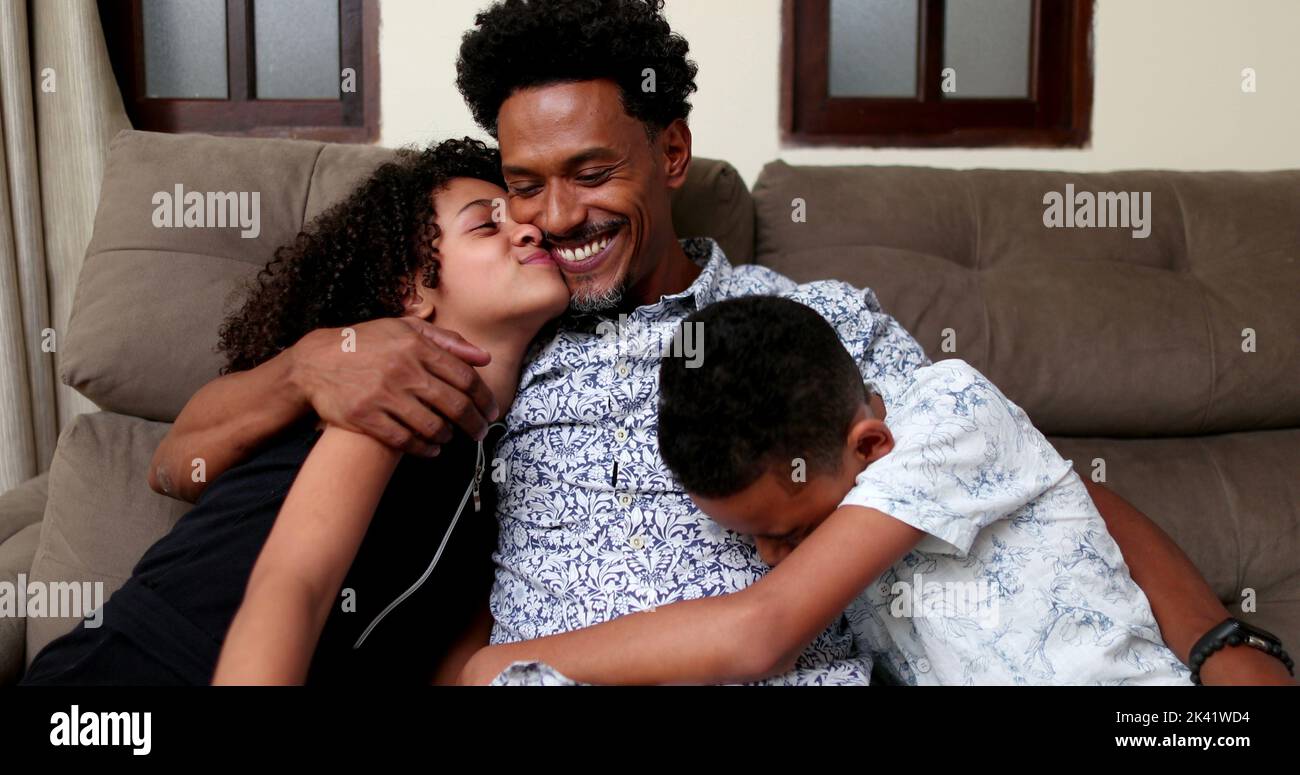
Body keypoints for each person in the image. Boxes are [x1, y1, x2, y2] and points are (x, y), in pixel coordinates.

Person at [149, 0, 1290, 684]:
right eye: (523, 186)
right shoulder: (498, 336)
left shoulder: (810, 326)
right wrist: (309, 362)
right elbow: (186, 453)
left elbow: (1029, 476)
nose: (555, 219)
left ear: (672, 155)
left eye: (594, 173)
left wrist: (1220, 644)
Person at [21, 139, 569, 685]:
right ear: (409, 289)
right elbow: (275, 569)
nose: (530, 230)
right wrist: (304, 367)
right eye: (484, 225)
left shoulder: (514, 451)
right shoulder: (377, 386)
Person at [456, 297, 1205, 685]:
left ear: (869, 447)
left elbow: (759, 632)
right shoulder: (846, 476)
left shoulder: (948, 411)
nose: (771, 555)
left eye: (789, 529)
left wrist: (511, 659)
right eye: (749, 536)